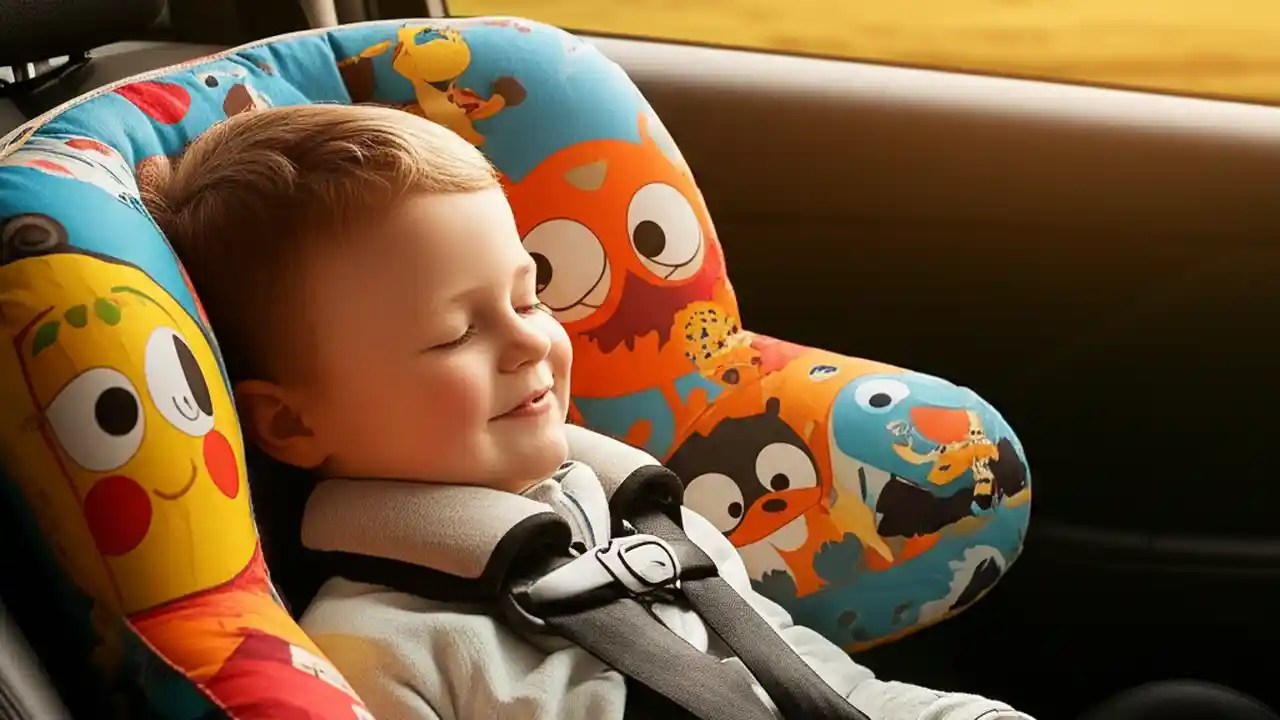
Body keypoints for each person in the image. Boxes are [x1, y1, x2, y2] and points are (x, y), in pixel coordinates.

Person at [142, 102, 1034, 720]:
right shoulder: (379, 653)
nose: (531, 342)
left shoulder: (649, 526)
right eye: (456, 334)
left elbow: (826, 692)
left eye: (530, 299)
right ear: (294, 426)